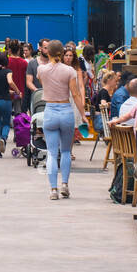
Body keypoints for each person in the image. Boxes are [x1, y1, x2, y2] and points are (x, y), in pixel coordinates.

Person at [38, 39, 86, 200]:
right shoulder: (69, 71)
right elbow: (76, 94)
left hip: (50, 111)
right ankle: (65, 184)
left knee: (51, 153)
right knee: (66, 151)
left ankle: (53, 189)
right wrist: (84, 115)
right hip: (66, 112)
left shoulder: (41, 69)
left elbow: (42, 83)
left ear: (48, 52)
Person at [0, 51, 21, 156]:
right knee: (6, 123)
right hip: (5, 101)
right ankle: (3, 138)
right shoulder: (8, 71)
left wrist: (10, 91)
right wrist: (17, 91)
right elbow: (10, 82)